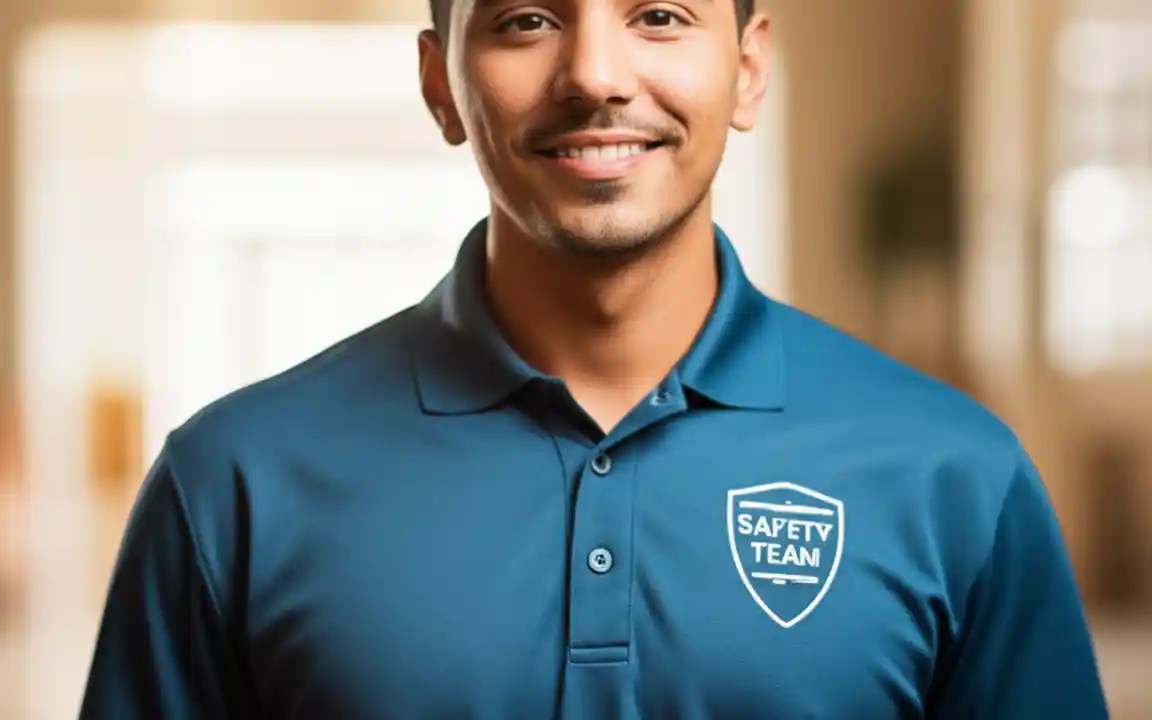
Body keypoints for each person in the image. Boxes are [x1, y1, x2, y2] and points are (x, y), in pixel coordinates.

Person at [80, 0, 1110, 717]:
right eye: (527, 19)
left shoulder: (953, 477)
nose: (593, 75)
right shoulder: (232, 484)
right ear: (440, 81)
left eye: (658, 14)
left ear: (746, 70)